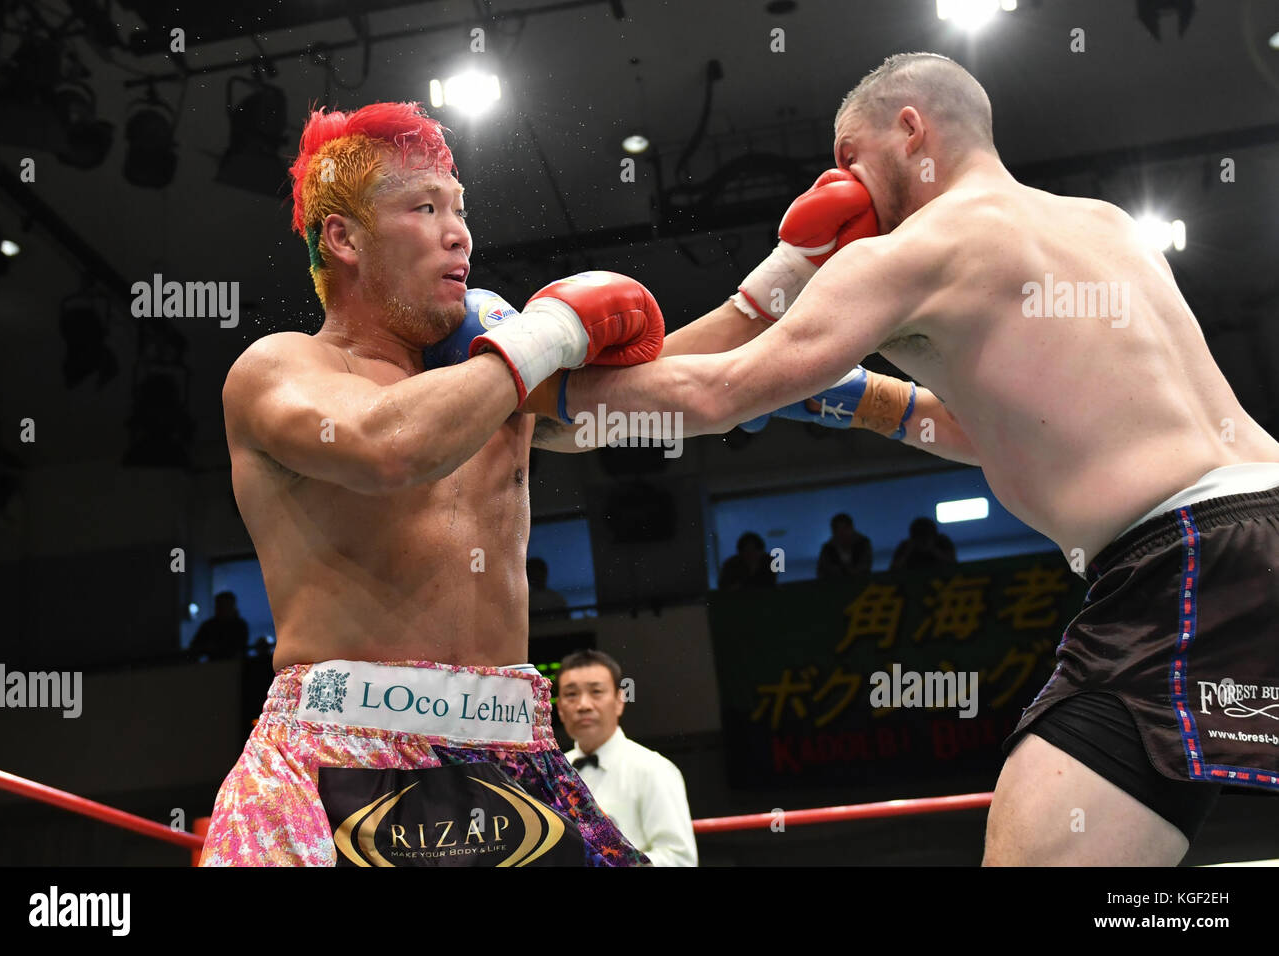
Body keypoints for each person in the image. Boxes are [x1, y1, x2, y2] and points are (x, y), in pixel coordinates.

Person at [548, 53, 1279, 865]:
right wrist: (869, 400)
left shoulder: (909, 255)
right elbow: (1021, 430)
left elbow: (719, 390)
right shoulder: (1103, 224)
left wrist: (539, 402)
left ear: (910, 128)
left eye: (847, 156)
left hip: (1182, 562)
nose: (840, 181)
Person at [200, 102, 668, 867]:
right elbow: (389, 445)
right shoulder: (278, 368)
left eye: (461, 208)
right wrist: (550, 333)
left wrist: (813, 290)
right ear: (344, 238)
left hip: (513, 752)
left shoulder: (491, 382)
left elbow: (700, 391)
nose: (462, 233)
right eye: (425, 207)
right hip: (333, 755)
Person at [556, 650, 698, 867]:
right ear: (560, 710)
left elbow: (680, 860)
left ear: (619, 701)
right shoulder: (551, 772)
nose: (583, 705)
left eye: (596, 691)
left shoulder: (653, 769)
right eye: (571, 694)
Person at [188, 591, 249, 661]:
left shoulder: (240, 626)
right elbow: (194, 647)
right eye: (220, 606)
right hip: (216, 666)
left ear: (232, 607)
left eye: (226, 606)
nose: (223, 609)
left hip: (234, 665)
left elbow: (239, 648)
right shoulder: (209, 626)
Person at [816, 512, 873, 579]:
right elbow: (822, 571)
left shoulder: (863, 544)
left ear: (851, 528)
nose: (842, 534)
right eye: (838, 530)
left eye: (845, 529)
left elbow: (865, 566)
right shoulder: (828, 549)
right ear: (834, 532)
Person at [888, 516, 955, 571]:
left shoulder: (942, 541)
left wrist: (933, 549)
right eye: (920, 536)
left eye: (926, 535)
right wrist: (908, 550)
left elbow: (953, 563)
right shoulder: (906, 546)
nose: (923, 540)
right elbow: (893, 569)